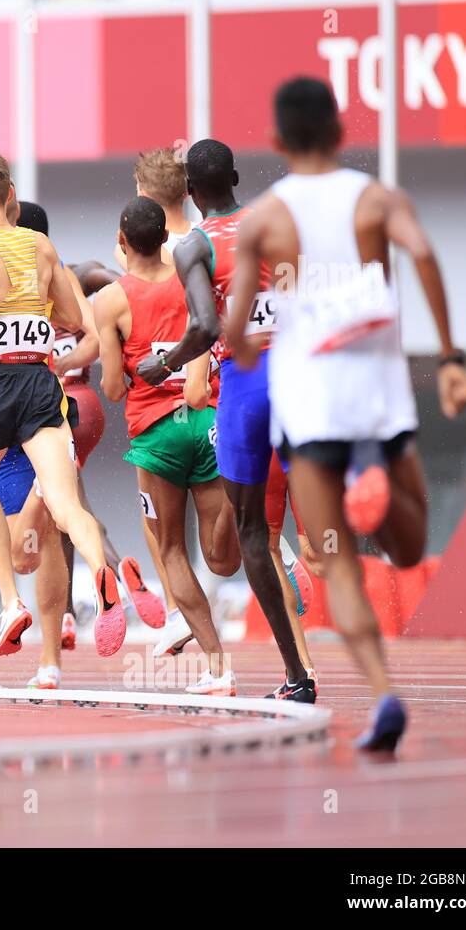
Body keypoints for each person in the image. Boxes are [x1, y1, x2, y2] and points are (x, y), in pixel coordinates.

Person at [226, 77, 466, 749]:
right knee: (408, 546)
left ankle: (383, 693)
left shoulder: (265, 220)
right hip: (376, 396)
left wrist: (249, 348)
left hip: (310, 410)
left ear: (276, 141)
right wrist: (451, 360)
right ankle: (375, 485)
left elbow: (237, 327)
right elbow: (422, 253)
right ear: (341, 132)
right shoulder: (375, 199)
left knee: (334, 560)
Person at [137, 139, 317, 701]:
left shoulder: (193, 244)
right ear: (237, 176)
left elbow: (207, 326)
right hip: (296, 375)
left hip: (244, 386)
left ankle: (296, 678)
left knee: (249, 536)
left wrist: (162, 361)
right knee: (316, 519)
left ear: (190, 193)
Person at [0, 149, 123, 659]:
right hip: (40, 380)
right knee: (67, 505)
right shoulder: (41, 244)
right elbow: (77, 315)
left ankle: (10, 603)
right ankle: (101, 574)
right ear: (11, 197)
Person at [94, 197, 241, 695]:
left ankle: (218, 666)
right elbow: (211, 332)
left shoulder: (110, 300)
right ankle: (252, 515)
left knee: (171, 549)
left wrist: (138, 369)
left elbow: (113, 389)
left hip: (156, 436)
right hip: (204, 422)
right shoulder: (190, 276)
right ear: (165, 240)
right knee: (219, 556)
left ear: (120, 241)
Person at [9, 198, 167, 642]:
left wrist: (55, 365)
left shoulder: (45, 279)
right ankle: (75, 609)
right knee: (69, 509)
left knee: (51, 512)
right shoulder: (72, 274)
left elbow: (99, 335)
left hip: (57, 409)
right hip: (85, 409)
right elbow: (125, 288)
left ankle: (109, 577)